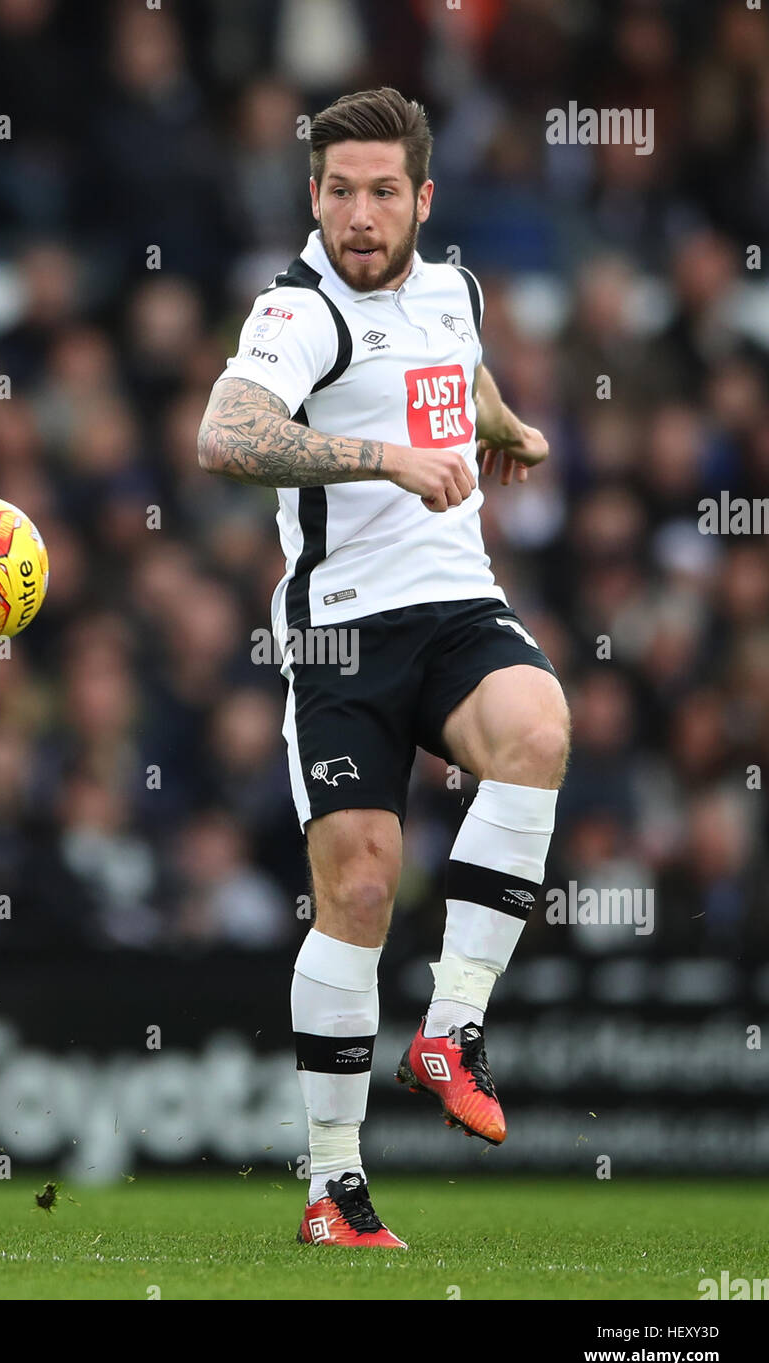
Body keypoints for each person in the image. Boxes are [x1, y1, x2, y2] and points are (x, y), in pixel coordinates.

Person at [198, 87, 570, 1249]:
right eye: (340, 191)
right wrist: (387, 461)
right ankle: (332, 1182)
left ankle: (450, 1027)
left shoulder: (452, 289)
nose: (361, 215)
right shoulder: (297, 312)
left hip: (456, 608)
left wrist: (499, 428)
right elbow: (228, 433)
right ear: (313, 196)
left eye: (382, 192)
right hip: (343, 635)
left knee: (540, 726)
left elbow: (455, 373)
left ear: (421, 197)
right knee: (359, 891)